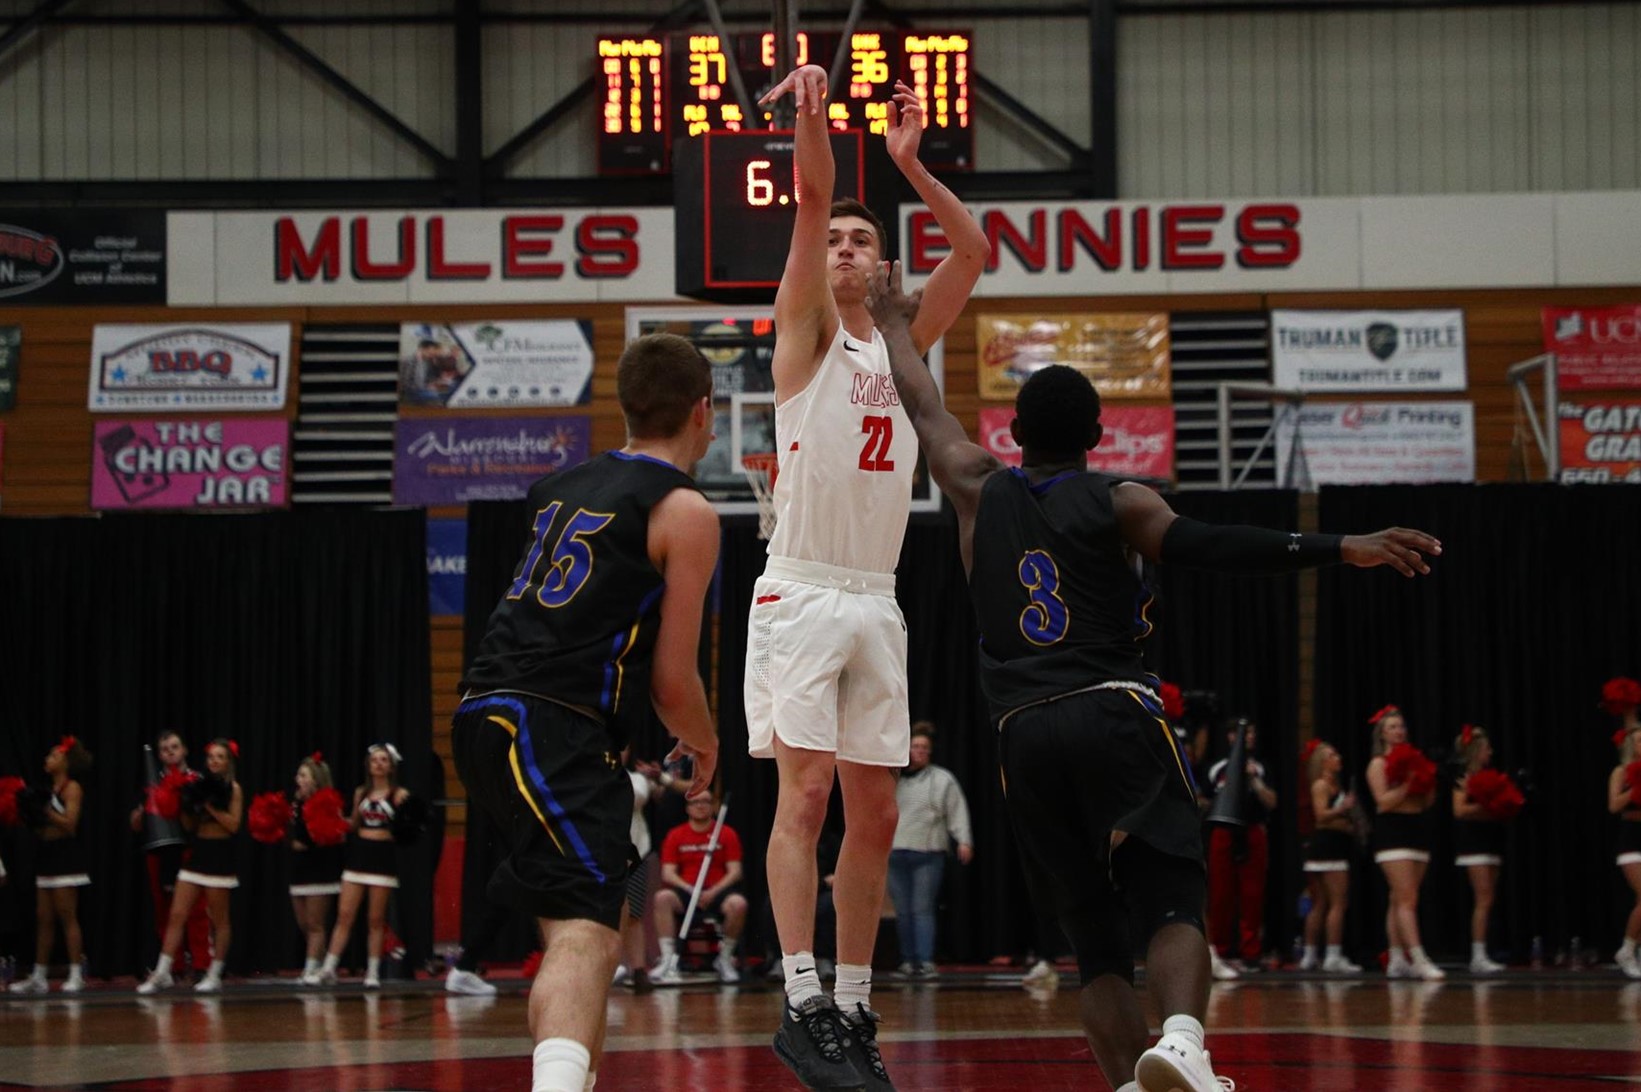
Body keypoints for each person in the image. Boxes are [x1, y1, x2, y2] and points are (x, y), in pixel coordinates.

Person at [863, 259, 1439, 1092]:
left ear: (1013, 432)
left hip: (1020, 733)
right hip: (1110, 710)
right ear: (1095, 437)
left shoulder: (973, 486)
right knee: (1170, 891)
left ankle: (1133, 1086)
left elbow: (923, 403)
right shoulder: (1121, 501)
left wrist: (890, 326)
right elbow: (1211, 545)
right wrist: (1336, 546)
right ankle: (1178, 1041)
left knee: (1090, 938)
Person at [749, 64, 989, 1092]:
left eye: (864, 241)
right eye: (839, 241)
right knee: (802, 798)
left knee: (878, 817)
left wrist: (909, 165)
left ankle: (852, 1004)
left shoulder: (905, 343)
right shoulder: (803, 333)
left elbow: (974, 250)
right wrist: (815, 123)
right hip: (802, 588)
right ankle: (800, 994)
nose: (847, 249)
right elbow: (810, 196)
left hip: (877, 596)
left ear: (886, 266)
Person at [452, 332, 722, 1092]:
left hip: (487, 712)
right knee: (584, 935)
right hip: (551, 721)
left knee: (580, 929)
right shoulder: (684, 509)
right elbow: (672, 681)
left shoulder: (559, 487)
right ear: (705, 410)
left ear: (625, 405)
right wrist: (705, 744)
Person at [139, 739, 244, 994]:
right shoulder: (198, 785)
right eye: (211, 757)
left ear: (228, 762)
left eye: (220, 757)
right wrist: (182, 804)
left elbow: (233, 825)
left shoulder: (234, 788)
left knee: (219, 920)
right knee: (176, 915)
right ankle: (163, 972)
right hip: (197, 855)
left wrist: (209, 806)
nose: (214, 761)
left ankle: (215, 972)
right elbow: (189, 827)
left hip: (219, 858)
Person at [310, 744, 410, 988]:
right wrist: (330, 822)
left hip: (382, 859)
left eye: (383, 760)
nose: (378, 764)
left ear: (391, 765)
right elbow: (354, 823)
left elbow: (406, 830)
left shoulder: (399, 795)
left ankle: (373, 972)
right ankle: (328, 968)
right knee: (344, 916)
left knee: (375, 919)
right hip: (358, 857)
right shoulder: (360, 793)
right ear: (368, 764)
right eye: (375, 760)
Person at [888, 722, 973, 978]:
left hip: (928, 853)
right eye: (915, 746)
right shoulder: (893, 780)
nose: (920, 751)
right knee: (903, 911)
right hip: (895, 853)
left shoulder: (941, 779)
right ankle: (907, 961)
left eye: (924, 747)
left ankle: (924, 961)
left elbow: (956, 810)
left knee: (921, 908)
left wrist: (964, 840)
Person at [1365, 705, 1443, 981]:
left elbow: (1427, 802)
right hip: (1392, 833)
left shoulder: (1414, 760)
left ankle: (1396, 958)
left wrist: (1427, 783)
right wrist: (1407, 785)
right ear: (1382, 734)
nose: (1399, 731)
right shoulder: (1378, 764)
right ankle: (1418, 957)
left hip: (1417, 829)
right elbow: (1383, 802)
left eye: (1401, 727)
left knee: (1399, 897)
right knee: (1407, 898)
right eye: (1393, 727)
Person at [8, 737, 92, 994]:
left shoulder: (72, 788)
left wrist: (45, 811)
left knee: (67, 916)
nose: (47, 759)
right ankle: (39, 976)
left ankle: (76, 974)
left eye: (53, 756)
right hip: (46, 855)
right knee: (43, 919)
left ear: (65, 762)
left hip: (65, 856)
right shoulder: (49, 790)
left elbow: (70, 824)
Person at [128, 730, 211, 979]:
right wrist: (142, 813)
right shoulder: (152, 783)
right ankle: (171, 966)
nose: (170, 752)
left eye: (175, 747)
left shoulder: (197, 780)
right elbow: (135, 824)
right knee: (164, 910)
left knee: (197, 910)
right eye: (165, 749)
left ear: (184, 750)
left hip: (190, 851)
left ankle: (201, 964)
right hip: (160, 853)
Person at [650, 794, 747, 985]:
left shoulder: (726, 833)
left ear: (713, 806)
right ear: (687, 808)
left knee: (738, 904)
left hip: (717, 891)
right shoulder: (676, 835)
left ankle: (725, 959)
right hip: (687, 890)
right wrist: (691, 889)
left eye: (706, 802)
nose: (701, 806)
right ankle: (669, 959)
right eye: (696, 802)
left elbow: (735, 871)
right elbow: (668, 874)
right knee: (662, 898)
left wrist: (713, 892)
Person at [1205, 718, 1277, 972]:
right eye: (1243, 733)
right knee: (1221, 892)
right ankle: (1221, 949)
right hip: (1224, 831)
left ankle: (1251, 952)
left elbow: (1272, 802)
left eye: (1252, 733)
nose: (1249, 738)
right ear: (1230, 737)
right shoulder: (1217, 768)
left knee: (1252, 893)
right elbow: (1203, 799)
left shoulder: (1261, 767)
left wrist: (1254, 781)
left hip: (1253, 829)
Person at [1451, 725, 1510, 974]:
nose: (1491, 752)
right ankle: (1477, 955)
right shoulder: (1463, 777)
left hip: (1490, 840)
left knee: (1489, 898)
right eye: (1487, 748)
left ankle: (1484, 950)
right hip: (1473, 844)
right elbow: (1459, 810)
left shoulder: (1489, 776)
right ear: (1476, 751)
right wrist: (1487, 806)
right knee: (1483, 898)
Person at [1299, 741, 1362, 974]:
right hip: (1327, 848)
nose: (1338, 758)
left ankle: (1311, 954)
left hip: (1332, 845)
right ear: (1322, 761)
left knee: (1323, 903)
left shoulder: (1336, 784)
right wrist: (1343, 809)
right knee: (1336, 903)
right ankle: (1332, 955)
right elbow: (1321, 815)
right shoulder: (1321, 785)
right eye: (1332, 754)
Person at [287, 753, 344, 984]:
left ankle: (310, 970)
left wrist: (308, 841)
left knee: (315, 924)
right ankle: (320, 969)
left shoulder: (327, 802)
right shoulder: (296, 803)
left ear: (315, 779)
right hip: (299, 870)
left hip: (320, 868)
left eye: (303, 775)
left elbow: (333, 836)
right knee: (304, 924)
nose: (297, 779)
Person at [1604, 677, 1641, 979]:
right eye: (1639, 740)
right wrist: (1635, 788)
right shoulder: (1620, 772)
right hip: (1630, 841)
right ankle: (1626, 950)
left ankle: (1632, 948)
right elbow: (1614, 806)